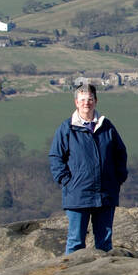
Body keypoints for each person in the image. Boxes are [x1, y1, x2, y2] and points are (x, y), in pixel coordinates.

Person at [48, 83, 129, 253]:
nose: (87, 103)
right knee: (75, 242)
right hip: (77, 194)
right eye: (83, 99)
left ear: (96, 101)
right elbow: (56, 157)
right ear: (76, 102)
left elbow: (120, 153)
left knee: (105, 243)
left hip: (105, 193)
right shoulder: (67, 128)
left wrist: (118, 178)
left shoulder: (106, 126)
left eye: (90, 99)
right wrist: (66, 181)